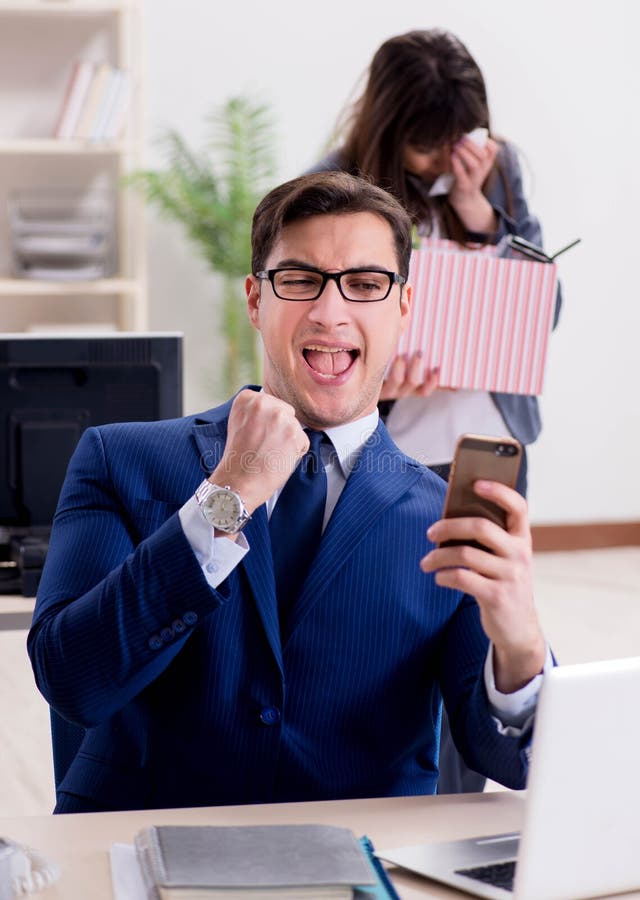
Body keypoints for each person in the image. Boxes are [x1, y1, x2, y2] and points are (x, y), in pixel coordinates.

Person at [28, 171, 549, 814]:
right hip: (149, 844)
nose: (331, 312)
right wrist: (228, 496)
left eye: (365, 284)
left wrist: (522, 642)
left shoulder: (446, 516)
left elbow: (514, 762)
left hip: (360, 861)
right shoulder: (120, 458)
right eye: (301, 281)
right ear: (255, 300)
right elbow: (72, 680)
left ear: (403, 309)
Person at [309, 28, 562, 792]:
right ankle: (390, 790)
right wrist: (382, 385)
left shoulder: (497, 169)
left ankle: (457, 807)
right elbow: (315, 340)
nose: (442, 158)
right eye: (427, 145)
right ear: (389, 129)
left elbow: (546, 306)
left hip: (488, 443)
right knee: (391, 635)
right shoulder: (335, 185)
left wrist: (483, 212)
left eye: (457, 139)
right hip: (388, 451)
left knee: (478, 628)